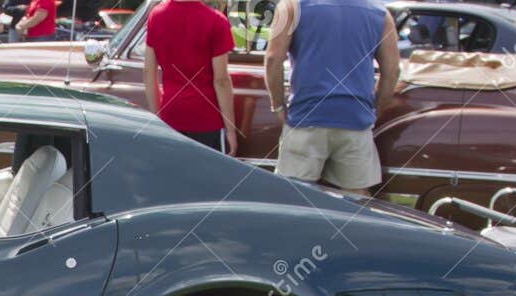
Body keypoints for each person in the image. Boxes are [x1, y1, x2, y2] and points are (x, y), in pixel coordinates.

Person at [264, 0, 400, 194]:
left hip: (306, 116)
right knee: (356, 199)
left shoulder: (291, 6)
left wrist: (277, 105)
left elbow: (273, 59)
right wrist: (375, 109)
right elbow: (392, 71)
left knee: (295, 197)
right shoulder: (380, 12)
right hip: (356, 118)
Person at [143, 0, 239, 153]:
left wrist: (157, 119)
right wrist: (231, 130)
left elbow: (149, 72)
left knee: (173, 175)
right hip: (207, 120)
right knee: (208, 176)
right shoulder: (216, 20)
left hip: (171, 115)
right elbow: (221, 81)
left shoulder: (156, 15)